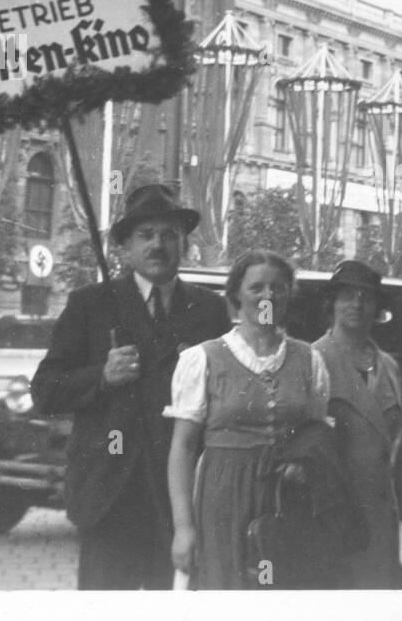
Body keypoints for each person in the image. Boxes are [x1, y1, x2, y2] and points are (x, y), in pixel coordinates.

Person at [31, 184, 229, 590]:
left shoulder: (209, 310)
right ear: (125, 245)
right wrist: (101, 376)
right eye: (146, 235)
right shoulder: (91, 304)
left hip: (178, 502)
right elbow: (45, 390)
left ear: (184, 244)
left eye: (169, 235)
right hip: (109, 498)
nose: (158, 245)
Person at [166, 249, 333, 589]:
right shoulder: (203, 359)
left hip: (287, 499)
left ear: (289, 295)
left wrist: (306, 461)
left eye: (278, 288)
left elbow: (317, 434)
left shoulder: (309, 359)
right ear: (235, 296)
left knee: (281, 598)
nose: (268, 296)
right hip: (223, 497)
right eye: (257, 288)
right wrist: (184, 529)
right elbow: (182, 448)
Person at [311, 260, 402, 588]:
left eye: (366, 297)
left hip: (382, 516)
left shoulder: (390, 366)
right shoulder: (313, 361)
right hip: (338, 514)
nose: (357, 304)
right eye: (347, 295)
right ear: (332, 303)